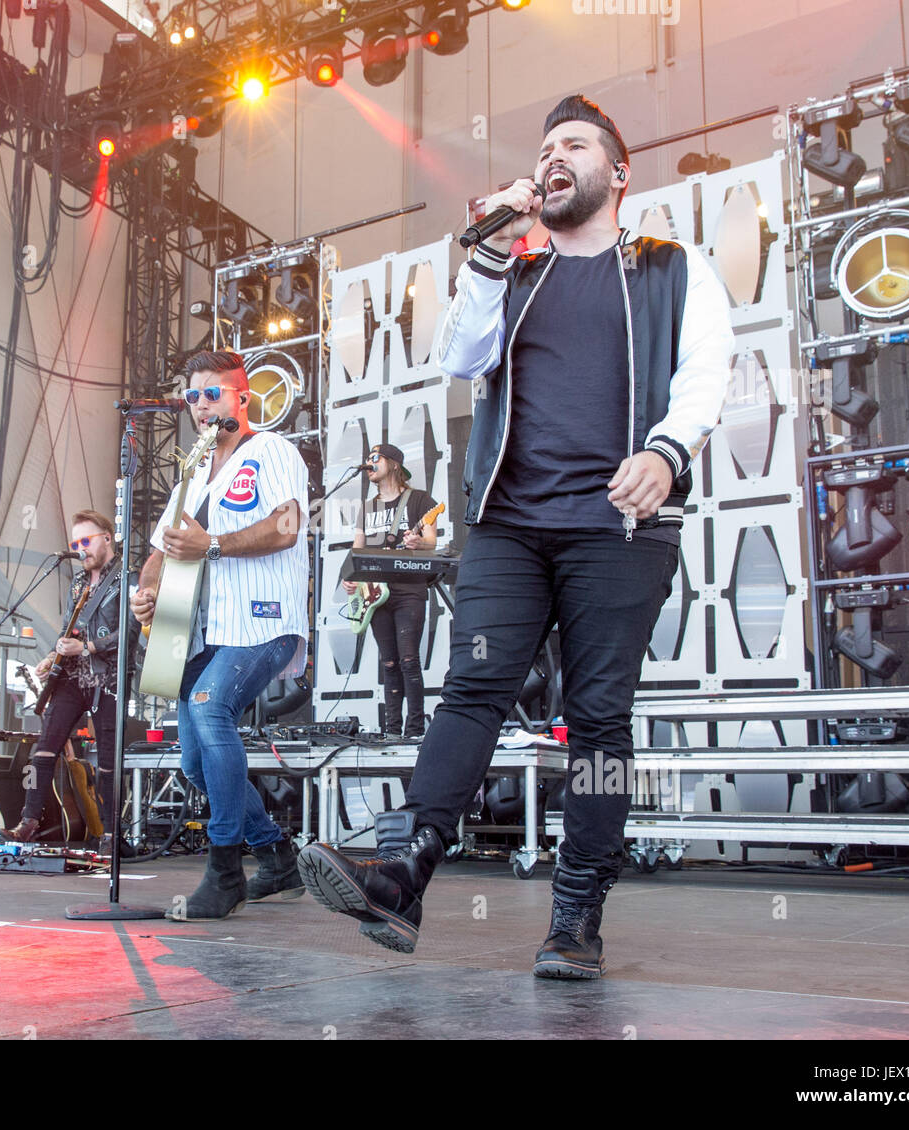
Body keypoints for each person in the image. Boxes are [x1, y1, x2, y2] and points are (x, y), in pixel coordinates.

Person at [298, 95, 732, 978]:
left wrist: (668, 451)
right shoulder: (514, 272)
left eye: (575, 144)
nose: (555, 157)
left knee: (599, 719)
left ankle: (577, 917)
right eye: (545, 149)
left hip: (621, 524)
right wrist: (490, 256)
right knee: (472, 689)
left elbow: (707, 368)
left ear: (620, 171)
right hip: (509, 524)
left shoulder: (670, 266)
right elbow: (459, 359)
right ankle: (403, 877)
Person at [132, 350, 310, 920]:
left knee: (211, 713)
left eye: (214, 393)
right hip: (201, 633)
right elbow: (161, 550)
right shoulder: (190, 474)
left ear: (243, 396)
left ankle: (225, 870)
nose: (203, 405)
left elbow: (286, 525)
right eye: (193, 397)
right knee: (193, 761)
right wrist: (146, 593)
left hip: (264, 618)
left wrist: (210, 544)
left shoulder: (272, 451)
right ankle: (276, 854)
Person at [4, 509, 135, 843]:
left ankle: (111, 835)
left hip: (109, 678)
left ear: (107, 537)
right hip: (71, 678)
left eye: (86, 540)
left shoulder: (128, 580)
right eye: (75, 542)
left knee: (107, 760)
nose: (80, 548)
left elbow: (131, 633)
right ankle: (29, 820)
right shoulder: (77, 583)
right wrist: (53, 655)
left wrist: (88, 647)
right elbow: (67, 628)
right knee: (42, 751)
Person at [340, 442, 438, 739]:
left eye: (376, 458)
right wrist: (349, 578)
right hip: (374, 594)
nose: (369, 462)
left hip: (408, 589)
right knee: (389, 661)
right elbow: (357, 550)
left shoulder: (420, 500)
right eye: (367, 458)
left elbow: (431, 541)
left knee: (409, 659)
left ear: (394, 464)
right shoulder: (367, 508)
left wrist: (417, 543)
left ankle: (416, 730)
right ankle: (392, 730)